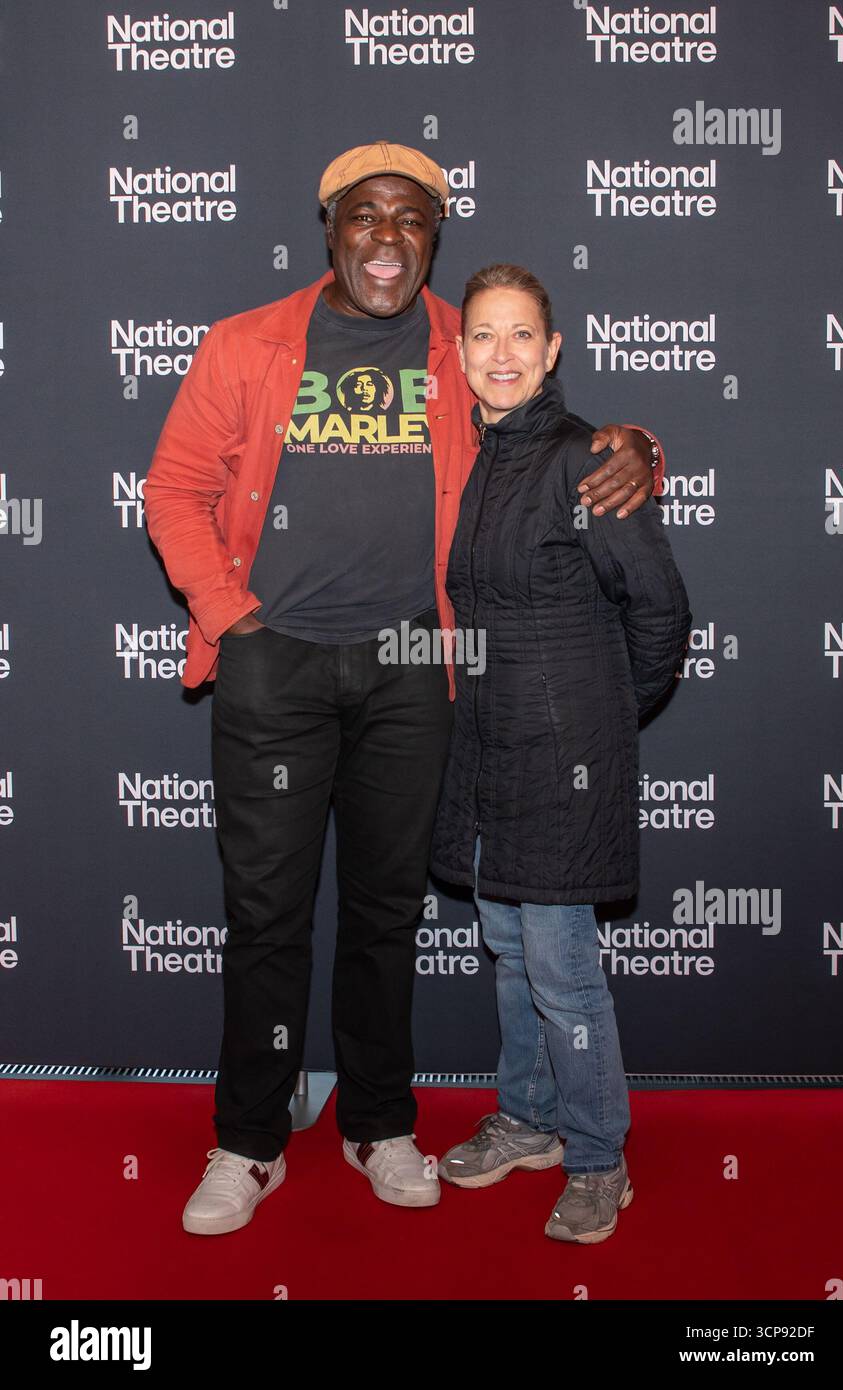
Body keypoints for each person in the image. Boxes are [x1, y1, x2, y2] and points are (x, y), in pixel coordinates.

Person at [142, 143, 666, 1236]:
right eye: (367, 215)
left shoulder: (457, 346)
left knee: (386, 911)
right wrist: (234, 620)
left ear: (435, 236)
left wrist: (638, 448)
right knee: (266, 915)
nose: (389, 237)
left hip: (413, 668)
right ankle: (248, 1139)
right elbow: (175, 489)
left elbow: (547, 431)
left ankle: (379, 1122)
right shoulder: (247, 343)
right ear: (330, 227)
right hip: (275, 662)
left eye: (413, 217)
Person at [429, 264, 691, 1243]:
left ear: (551, 352)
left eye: (520, 336)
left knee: (561, 966)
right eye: (482, 335)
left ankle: (597, 1157)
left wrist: (605, 714)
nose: (500, 353)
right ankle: (530, 1120)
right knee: (508, 949)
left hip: (565, 760)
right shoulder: (477, 457)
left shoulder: (590, 460)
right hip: (488, 754)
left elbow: (660, 610)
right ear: (461, 354)